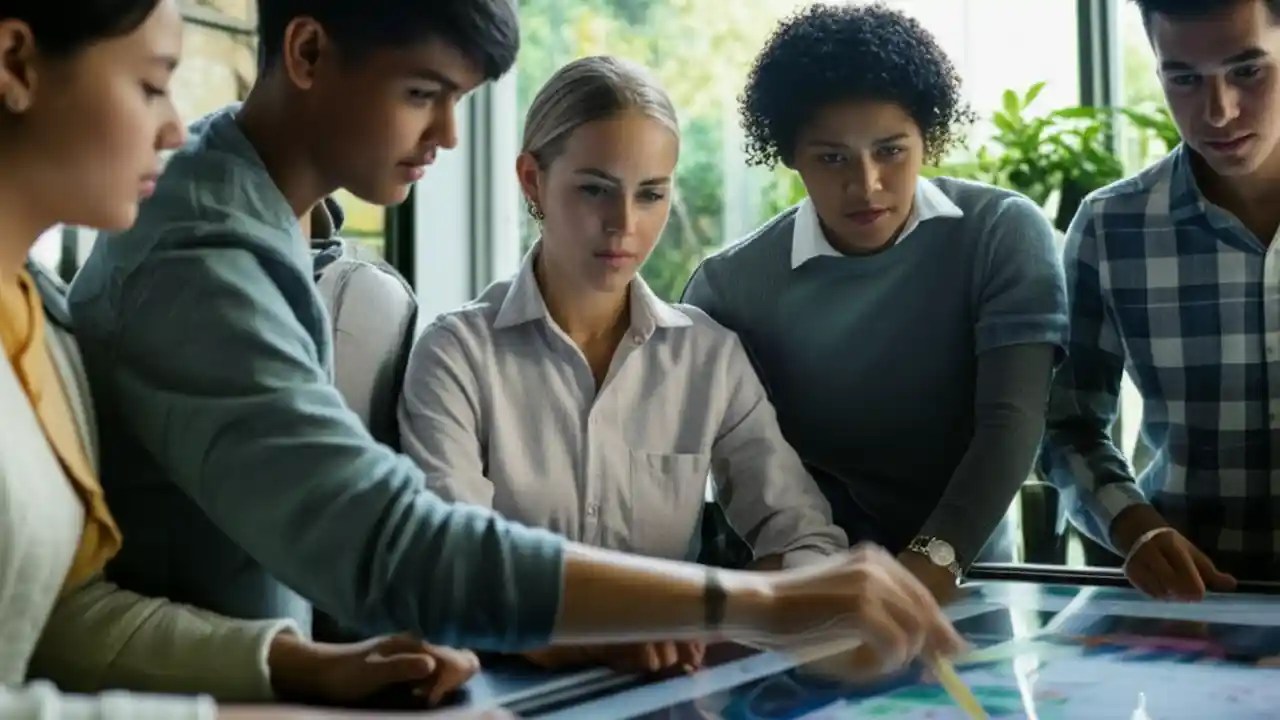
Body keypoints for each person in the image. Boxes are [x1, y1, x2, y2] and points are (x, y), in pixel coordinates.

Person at [64, 0, 964, 678]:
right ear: (305, 52)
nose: (450, 137)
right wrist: (755, 600)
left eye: (652, 193)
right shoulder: (212, 253)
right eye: (424, 93)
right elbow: (391, 546)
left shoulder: (293, 233)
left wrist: (306, 667)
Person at [0, 2, 482, 717]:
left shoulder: (38, 316)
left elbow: (57, 616)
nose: (172, 130)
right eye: (150, 84)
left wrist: (302, 669)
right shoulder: (196, 250)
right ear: (14, 64)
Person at [398, 55, 849, 675]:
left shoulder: (708, 358)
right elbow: (451, 569)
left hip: (671, 690)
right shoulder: (455, 355)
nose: (624, 225)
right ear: (532, 181)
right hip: (502, 696)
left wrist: (741, 617)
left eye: (651, 194)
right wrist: (594, 635)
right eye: (595, 189)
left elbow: (805, 542)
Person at [681, 3, 1069, 603]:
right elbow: (743, 472)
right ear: (788, 153)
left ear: (927, 135)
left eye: (890, 150)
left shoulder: (1001, 234)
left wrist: (934, 564)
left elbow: (1010, 423)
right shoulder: (730, 288)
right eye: (832, 158)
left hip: (965, 572)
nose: (866, 185)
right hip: (803, 586)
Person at [1042, 0, 1280, 600]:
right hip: (1190, 601)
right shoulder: (1108, 226)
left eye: (1248, 71)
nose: (1219, 112)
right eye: (1184, 79)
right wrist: (1134, 527)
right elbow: (1064, 423)